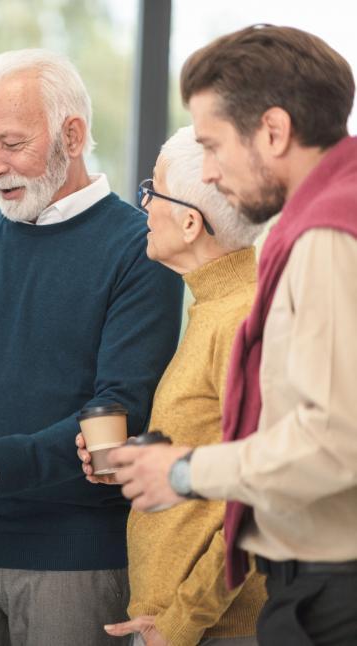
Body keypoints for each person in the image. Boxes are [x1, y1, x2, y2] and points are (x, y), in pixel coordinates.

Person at [0, 49, 183, 646]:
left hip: (76, 558)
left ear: (72, 136)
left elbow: (121, 410)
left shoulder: (139, 249)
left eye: (11, 143)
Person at [110, 25, 357, 646]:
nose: (210, 175)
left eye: (213, 147)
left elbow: (334, 439)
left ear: (273, 131)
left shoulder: (327, 235)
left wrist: (185, 470)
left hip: (328, 591)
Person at [76, 126, 267, 646]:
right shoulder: (213, 308)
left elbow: (258, 498)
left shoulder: (239, 322)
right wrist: (141, 467)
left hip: (207, 631)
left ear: (189, 222)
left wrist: (181, 622)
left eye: (151, 191)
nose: (142, 205)